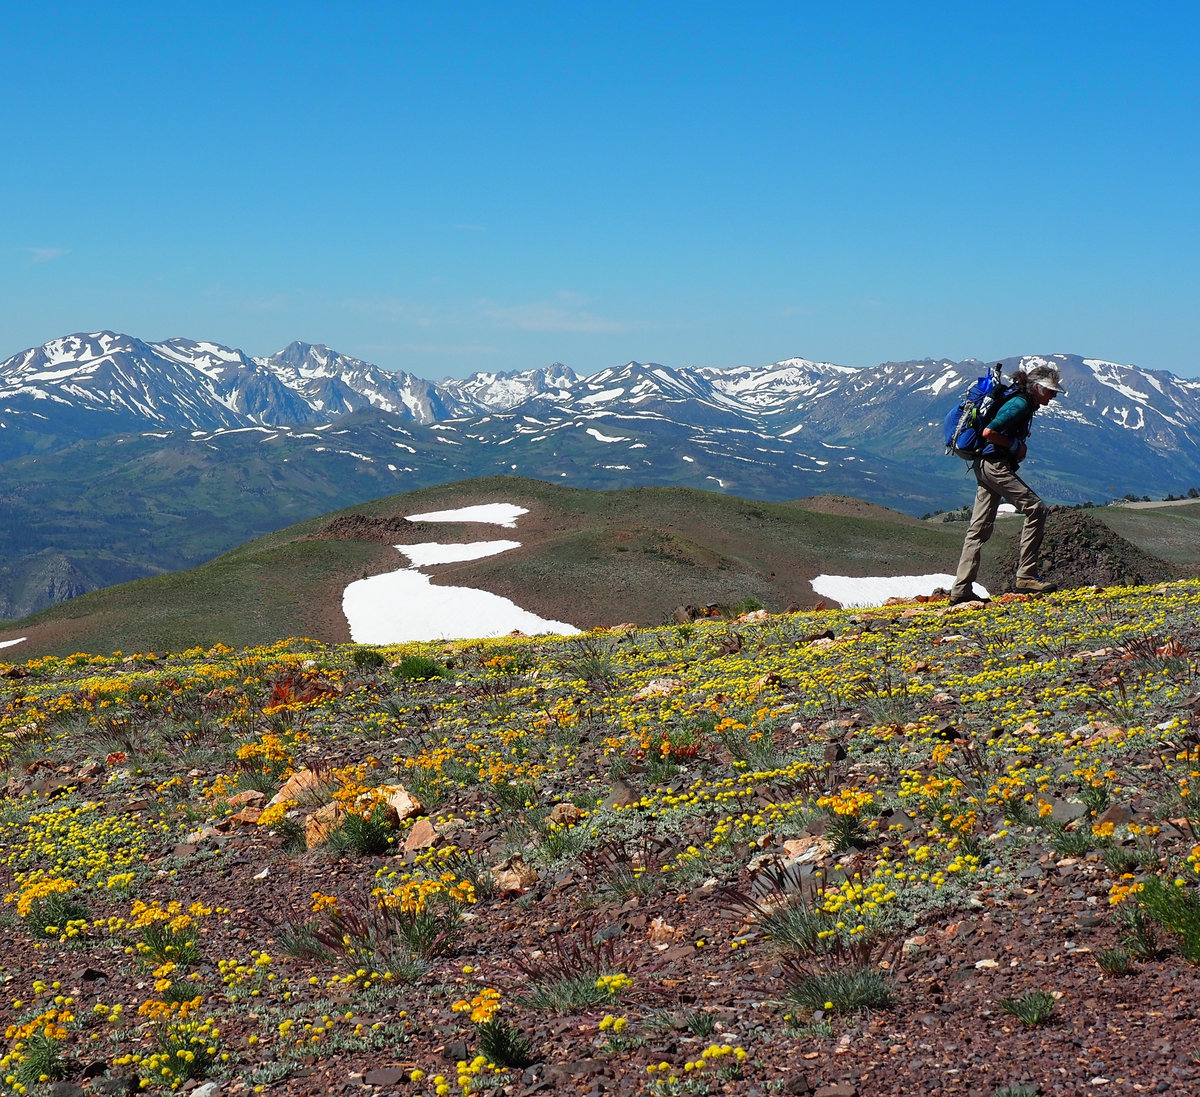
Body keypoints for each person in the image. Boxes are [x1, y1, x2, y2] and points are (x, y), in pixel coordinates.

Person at [949, 363, 1066, 605]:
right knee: (1036, 509)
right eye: (1051, 391)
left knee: (978, 529)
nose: (1053, 396)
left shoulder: (1023, 401)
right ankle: (1026, 576)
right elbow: (989, 432)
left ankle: (961, 590)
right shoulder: (1021, 404)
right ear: (1037, 387)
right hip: (994, 466)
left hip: (984, 465)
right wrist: (1016, 446)